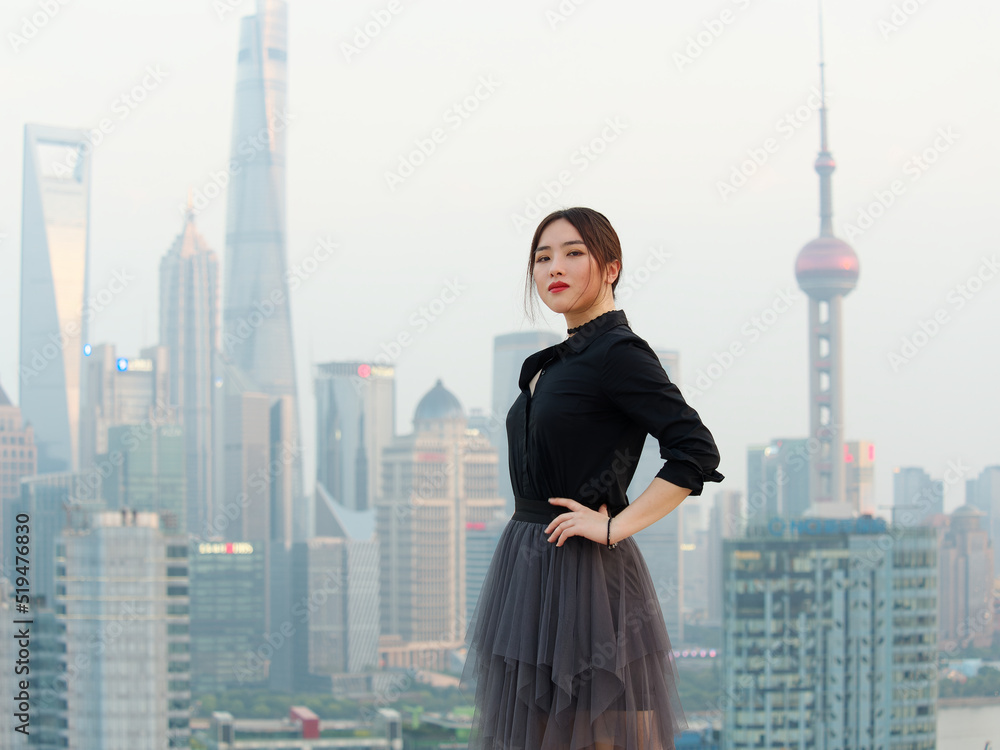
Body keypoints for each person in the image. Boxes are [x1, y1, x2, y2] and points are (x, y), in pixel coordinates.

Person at [460, 207, 725, 750]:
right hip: (527, 566)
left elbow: (694, 452)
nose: (554, 266)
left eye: (573, 252)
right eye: (542, 257)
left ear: (611, 268)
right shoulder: (550, 364)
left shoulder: (617, 354)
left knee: (600, 736)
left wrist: (614, 528)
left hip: (587, 576)